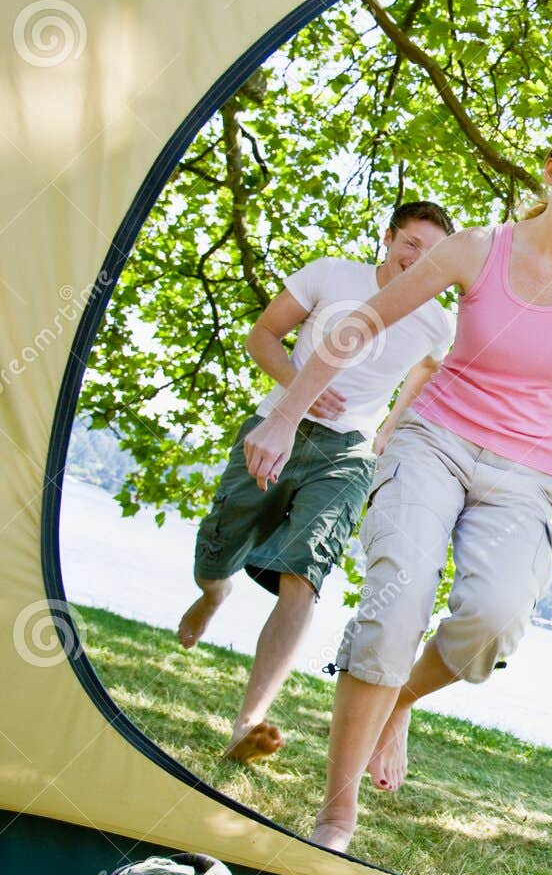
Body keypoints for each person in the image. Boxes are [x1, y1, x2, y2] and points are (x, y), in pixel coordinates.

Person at [242, 116, 552, 853]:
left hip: (526, 473)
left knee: (491, 622)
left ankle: (398, 697)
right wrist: (284, 417)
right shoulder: (477, 249)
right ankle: (336, 817)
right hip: (433, 441)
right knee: (395, 604)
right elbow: (362, 322)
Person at [178, 201, 458, 764]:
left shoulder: (438, 323)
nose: (417, 260)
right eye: (410, 244)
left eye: (431, 254)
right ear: (387, 239)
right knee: (216, 550)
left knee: (303, 574)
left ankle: (247, 723)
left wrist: (388, 432)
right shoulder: (332, 274)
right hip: (277, 426)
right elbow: (262, 336)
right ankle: (215, 590)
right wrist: (298, 384)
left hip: (346, 454)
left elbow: (426, 375)